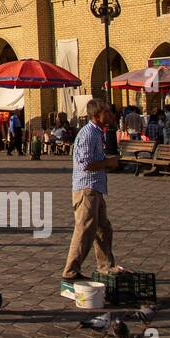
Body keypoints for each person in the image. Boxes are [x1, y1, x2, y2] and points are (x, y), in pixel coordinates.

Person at [61, 98, 121, 280]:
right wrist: (108, 162)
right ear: (96, 115)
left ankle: (106, 266)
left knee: (103, 229)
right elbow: (85, 163)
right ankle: (71, 271)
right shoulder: (89, 134)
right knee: (85, 229)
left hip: (95, 187)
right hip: (87, 188)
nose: (110, 115)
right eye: (107, 112)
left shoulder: (97, 132)